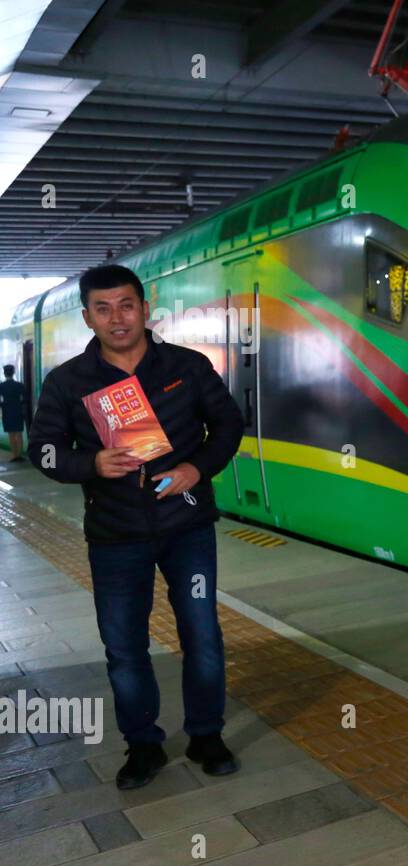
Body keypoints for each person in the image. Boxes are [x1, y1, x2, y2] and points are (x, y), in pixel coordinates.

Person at [27, 264, 245, 789]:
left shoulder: (188, 367)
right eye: (102, 308)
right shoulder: (68, 382)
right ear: (87, 317)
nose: (116, 317)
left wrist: (197, 468)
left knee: (203, 634)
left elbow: (230, 424)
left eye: (126, 305)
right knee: (124, 646)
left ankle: (206, 735)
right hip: (114, 534)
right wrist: (91, 464)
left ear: (146, 309)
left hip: (187, 523)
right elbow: (45, 451)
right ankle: (143, 744)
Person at [0, 364, 25, 462]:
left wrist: (3, 404)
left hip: (7, 411)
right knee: (19, 433)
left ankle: (14, 455)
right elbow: (25, 398)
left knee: (11, 434)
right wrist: (19, 404)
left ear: (5, 373)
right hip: (18, 410)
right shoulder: (19, 385)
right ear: (13, 373)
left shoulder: (1, 386)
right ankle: (19, 455)